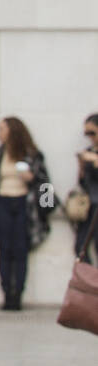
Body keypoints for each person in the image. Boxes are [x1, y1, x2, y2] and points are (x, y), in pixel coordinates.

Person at [0, 116, 52, 310]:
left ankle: (18, 293)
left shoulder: (32, 155)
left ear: (13, 131)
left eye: (2, 129)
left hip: (24, 204)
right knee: (5, 249)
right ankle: (7, 292)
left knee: (20, 250)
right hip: (1, 202)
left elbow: (46, 188)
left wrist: (31, 179)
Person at [75, 113, 98, 265]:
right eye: (86, 133)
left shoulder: (93, 155)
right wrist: (82, 167)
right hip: (90, 206)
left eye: (92, 132)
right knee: (80, 246)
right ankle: (91, 282)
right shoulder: (89, 150)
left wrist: (95, 161)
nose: (89, 137)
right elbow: (83, 182)